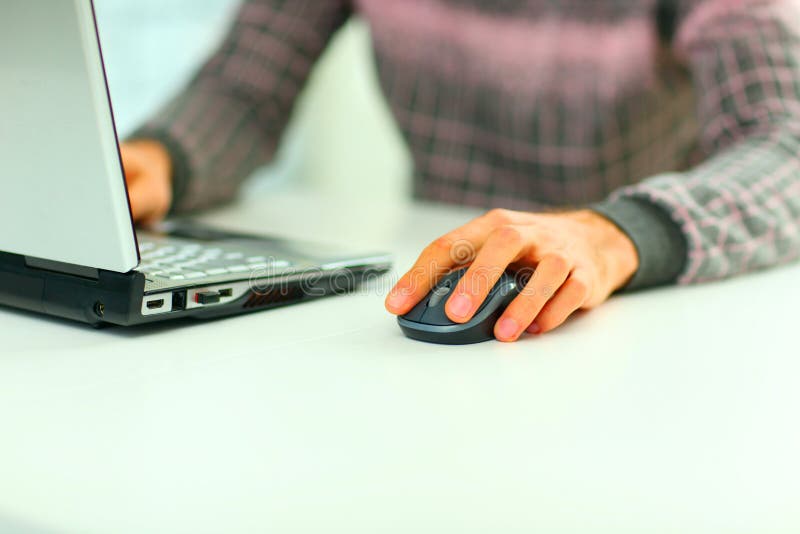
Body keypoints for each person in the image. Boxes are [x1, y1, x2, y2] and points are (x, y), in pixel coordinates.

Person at [121, 0, 800, 342]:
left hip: (640, 304)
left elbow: (783, 142)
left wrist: (612, 234)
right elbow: (245, 86)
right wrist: (160, 159)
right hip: (437, 289)